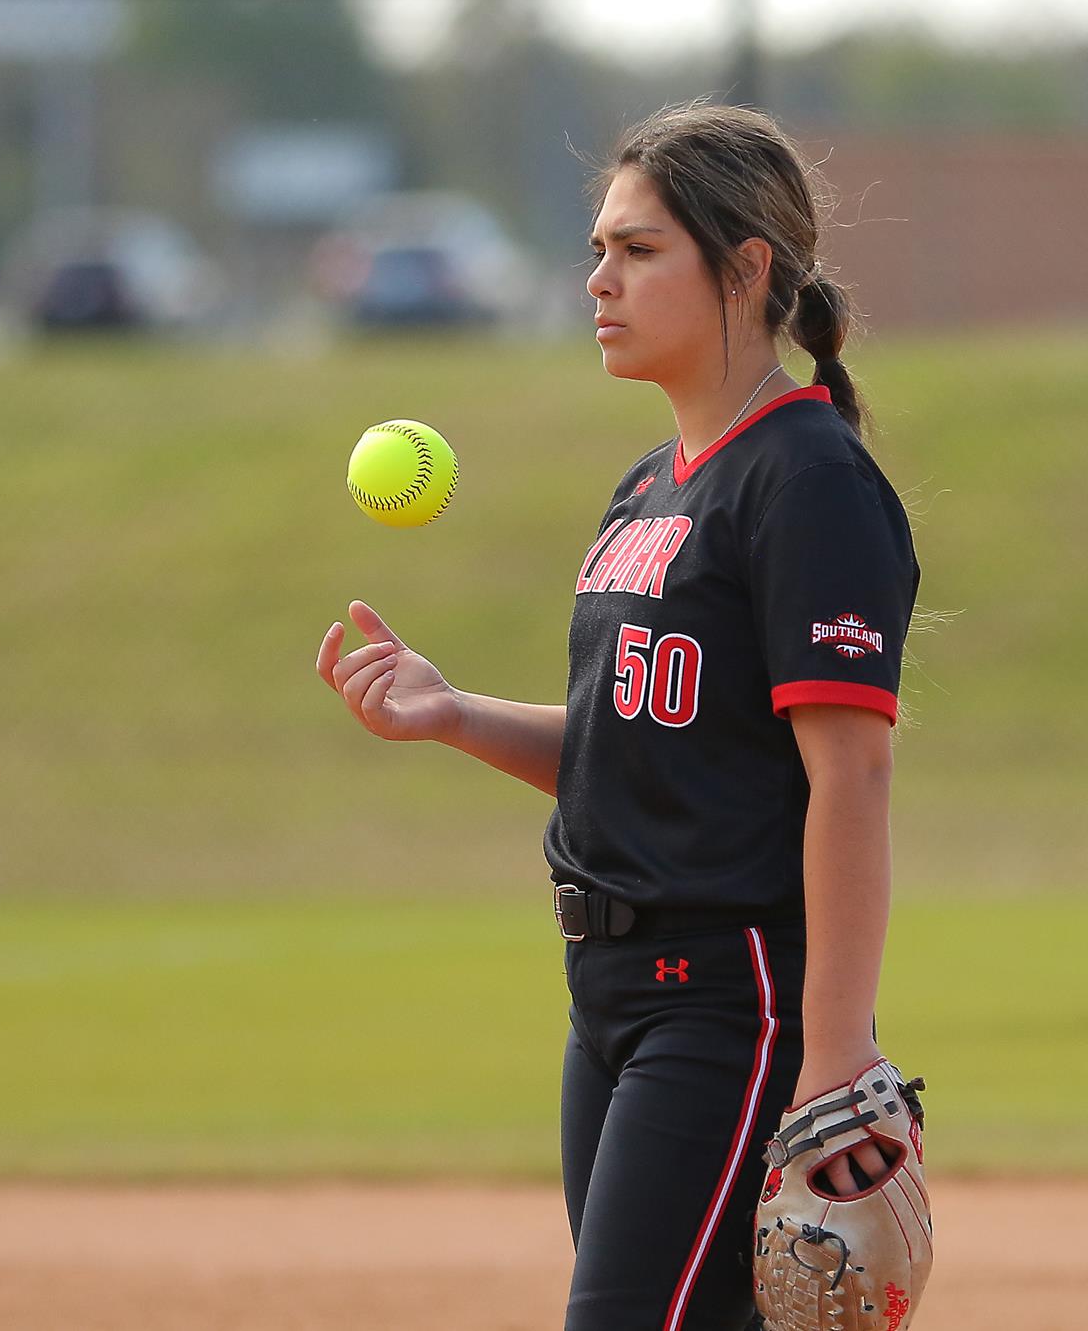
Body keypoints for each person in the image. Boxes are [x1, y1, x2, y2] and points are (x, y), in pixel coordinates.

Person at [314, 99, 921, 1331]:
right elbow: (636, 755)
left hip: (728, 997)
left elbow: (848, 777)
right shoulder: (647, 490)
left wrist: (834, 1046)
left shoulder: (805, 480)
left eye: (639, 250)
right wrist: (451, 712)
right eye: (598, 247)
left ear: (745, 268)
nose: (599, 278)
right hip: (609, 996)